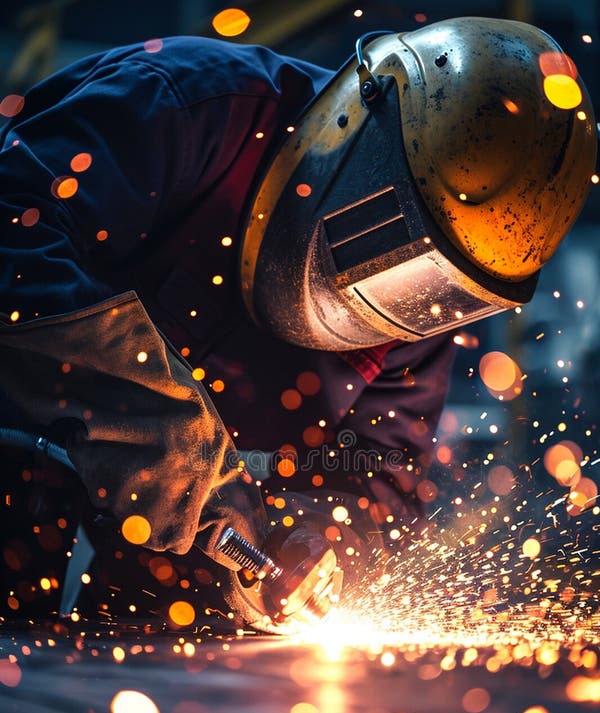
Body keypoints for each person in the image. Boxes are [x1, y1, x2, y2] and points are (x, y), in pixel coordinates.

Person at [0, 17, 596, 632]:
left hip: (189, 559)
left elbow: (378, 481)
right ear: (361, 126)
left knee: (153, 657)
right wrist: (142, 413)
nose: (396, 286)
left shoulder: (425, 307)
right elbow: (14, 228)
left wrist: (316, 537)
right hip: (15, 445)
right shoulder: (187, 106)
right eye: (396, 234)